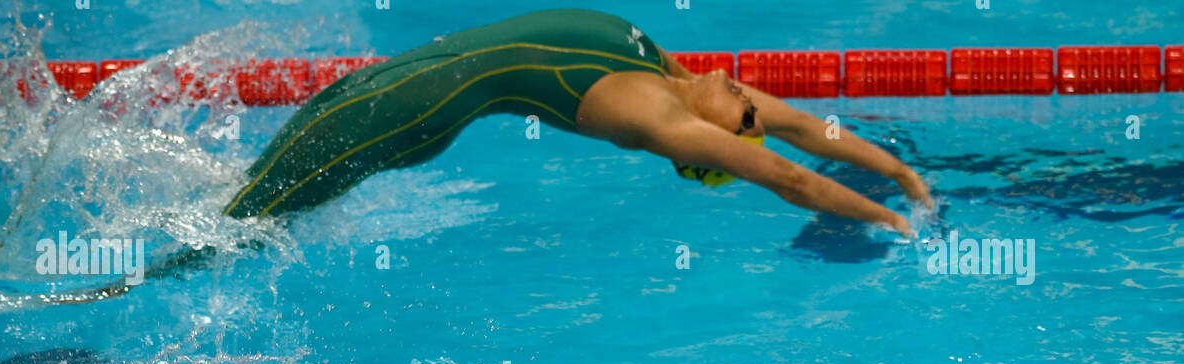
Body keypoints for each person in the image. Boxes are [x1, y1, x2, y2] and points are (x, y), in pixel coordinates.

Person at [224, 8, 931, 235]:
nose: (742, 88)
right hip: (394, 84)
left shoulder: (663, 117)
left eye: (745, 108)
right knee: (238, 201)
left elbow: (787, 173)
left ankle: (119, 287)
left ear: (717, 140)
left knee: (242, 227)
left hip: (409, 111)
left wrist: (890, 220)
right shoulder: (681, 80)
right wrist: (899, 172)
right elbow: (808, 132)